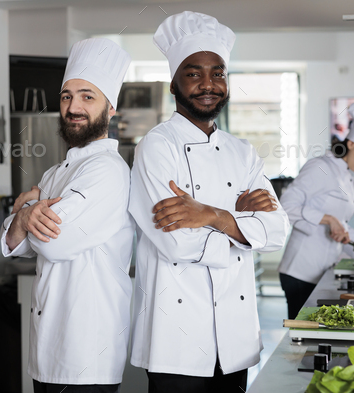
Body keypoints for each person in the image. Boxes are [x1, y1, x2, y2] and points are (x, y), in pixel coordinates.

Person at [128, 11, 290, 393]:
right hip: (176, 339)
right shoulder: (155, 146)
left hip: (235, 337)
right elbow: (177, 243)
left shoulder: (242, 151)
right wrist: (242, 226)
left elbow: (279, 229)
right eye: (193, 72)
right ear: (173, 83)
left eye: (217, 72)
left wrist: (211, 215)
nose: (208, 84)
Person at [0, 37, 133, 393]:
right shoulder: (56, 172)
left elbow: (52, 243)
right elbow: (12, 241)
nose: (73, 107)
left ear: (110, 108)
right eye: (66, 96)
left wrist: (26, 210)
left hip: (86, 354)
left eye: (88, 96)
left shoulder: (107, 171)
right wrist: (25, 219)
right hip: (46, 350)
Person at [278, 99, 354, 320]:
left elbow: (340, 223)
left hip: (321, 269)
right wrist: (327, 219)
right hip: (300, 271)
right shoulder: (320, 168)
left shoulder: (346, 174)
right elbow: (285, 206)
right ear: (352, 143)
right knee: (302, 336)